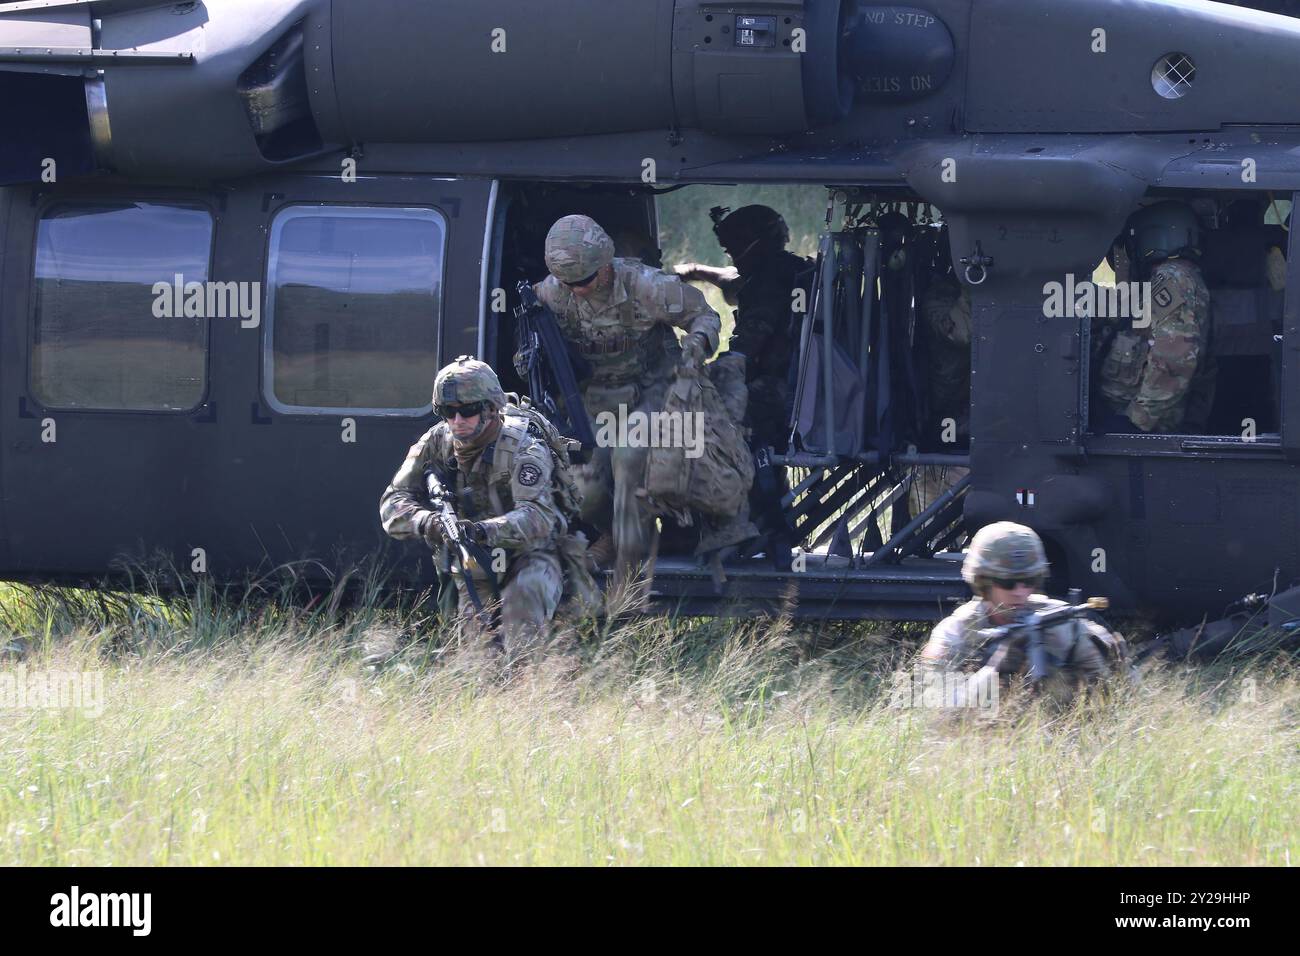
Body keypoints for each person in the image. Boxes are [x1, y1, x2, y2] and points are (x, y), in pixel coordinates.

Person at [534, 214, 722, 581]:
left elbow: (705, 315)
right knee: (579, 485)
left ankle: (630, 581)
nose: (576, 290)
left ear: (605, 266)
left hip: (653, 388)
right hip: (596, 395)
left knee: (628, 457)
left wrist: (697, 346)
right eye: (568, 282)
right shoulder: (551, 293)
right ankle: (615, 534)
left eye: (584, 280)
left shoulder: (647, 286)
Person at [379, 357, 564, 661]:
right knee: (479, 657)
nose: (456, 421)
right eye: (447, 412)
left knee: (520, 635)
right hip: (471, 561)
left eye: (467, 410)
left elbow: (538, 517)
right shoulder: (437, 441)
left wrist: (483, 530)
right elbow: (392, 502)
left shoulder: (524, 447)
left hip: (529, 556)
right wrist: (429, 522)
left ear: (491, 409)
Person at [919, 522, 1126, 701]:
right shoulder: (956, 633)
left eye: (1029, 581)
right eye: (1007, 583)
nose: (1020, 592)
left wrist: (1096, 651)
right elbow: (937, 708)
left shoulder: (1060, 622)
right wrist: (993, 670)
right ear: (983, 582)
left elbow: (1118, 697)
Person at [674, 204, 813, 453]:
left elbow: (747, 344)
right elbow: (733, 280)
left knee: (700, 412)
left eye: (733, 251)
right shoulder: (793, 268)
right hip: (806, 382)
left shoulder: (767, 283)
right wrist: (695, 271)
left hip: (782, 388)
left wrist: (702, 371)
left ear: (753, 246)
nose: (733, 258)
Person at [1094, 201, 1214, 434]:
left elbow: (1174, 356)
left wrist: (1137, 422)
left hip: (1149, 429)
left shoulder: (1174, 277)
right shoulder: (1171, 278)